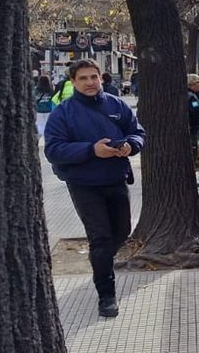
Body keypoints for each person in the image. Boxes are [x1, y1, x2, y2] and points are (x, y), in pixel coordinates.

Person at [43, 58, 146, 318]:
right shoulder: (62, 113)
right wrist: (91, 150)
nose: (90, 82)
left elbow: (138, 133)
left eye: (93, 77)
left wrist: (130, 146)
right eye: (83, 78)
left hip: (116, 179)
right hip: (84, 185)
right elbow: (53, 150)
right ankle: (106, 296)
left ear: (101, 78)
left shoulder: (116, 104)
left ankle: (100, 262)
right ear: (73, 82)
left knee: (122, 231)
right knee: (99, 238)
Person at [187, 73, 199, 185]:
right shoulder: (191, 97)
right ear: (192, 84)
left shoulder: (190, 94)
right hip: (192, 129)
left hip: (191, 127)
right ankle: (191, 180)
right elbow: (197, 109)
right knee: (192, 154)